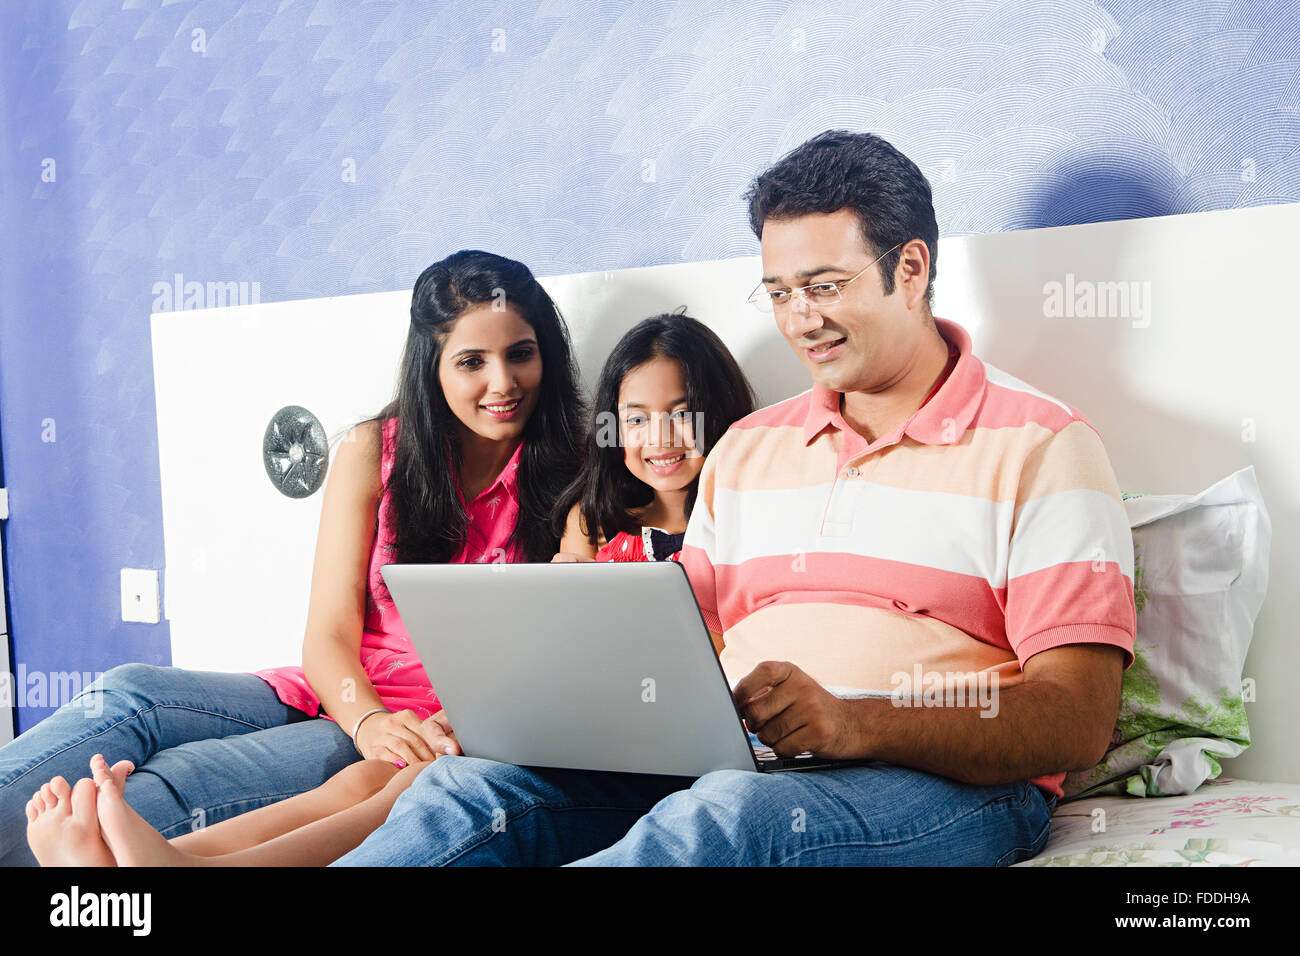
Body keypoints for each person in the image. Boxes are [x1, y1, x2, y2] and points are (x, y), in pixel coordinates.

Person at [330, 130, 1138, 867]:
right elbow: (678, 644)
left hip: (944, 781)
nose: (801, 321)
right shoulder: (749, 449)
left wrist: (859, 722)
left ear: (911, 268)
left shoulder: (1043, 445)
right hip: (739, 758)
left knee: (723, 822)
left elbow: (1075, 715)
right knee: (473, 792)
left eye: (823, 285)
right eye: (779, 292)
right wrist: (526, 706)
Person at [6, 250, 586, 866]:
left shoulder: (579, 475)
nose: (503, 382)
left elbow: (554, 651)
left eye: (520, 353)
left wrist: (392, 730)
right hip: (337, 694)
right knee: (132, 692)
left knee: (168, 782)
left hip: (431, 727)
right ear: (432, 368)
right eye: (472, 361)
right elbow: (328, 632)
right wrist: (365, 719)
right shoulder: (373, 451)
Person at [552, 311, 755, 571]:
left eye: (682, 414)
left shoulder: (750, 511)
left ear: (721, 411)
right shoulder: (590, 522)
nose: (660, 438)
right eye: (637, 419)